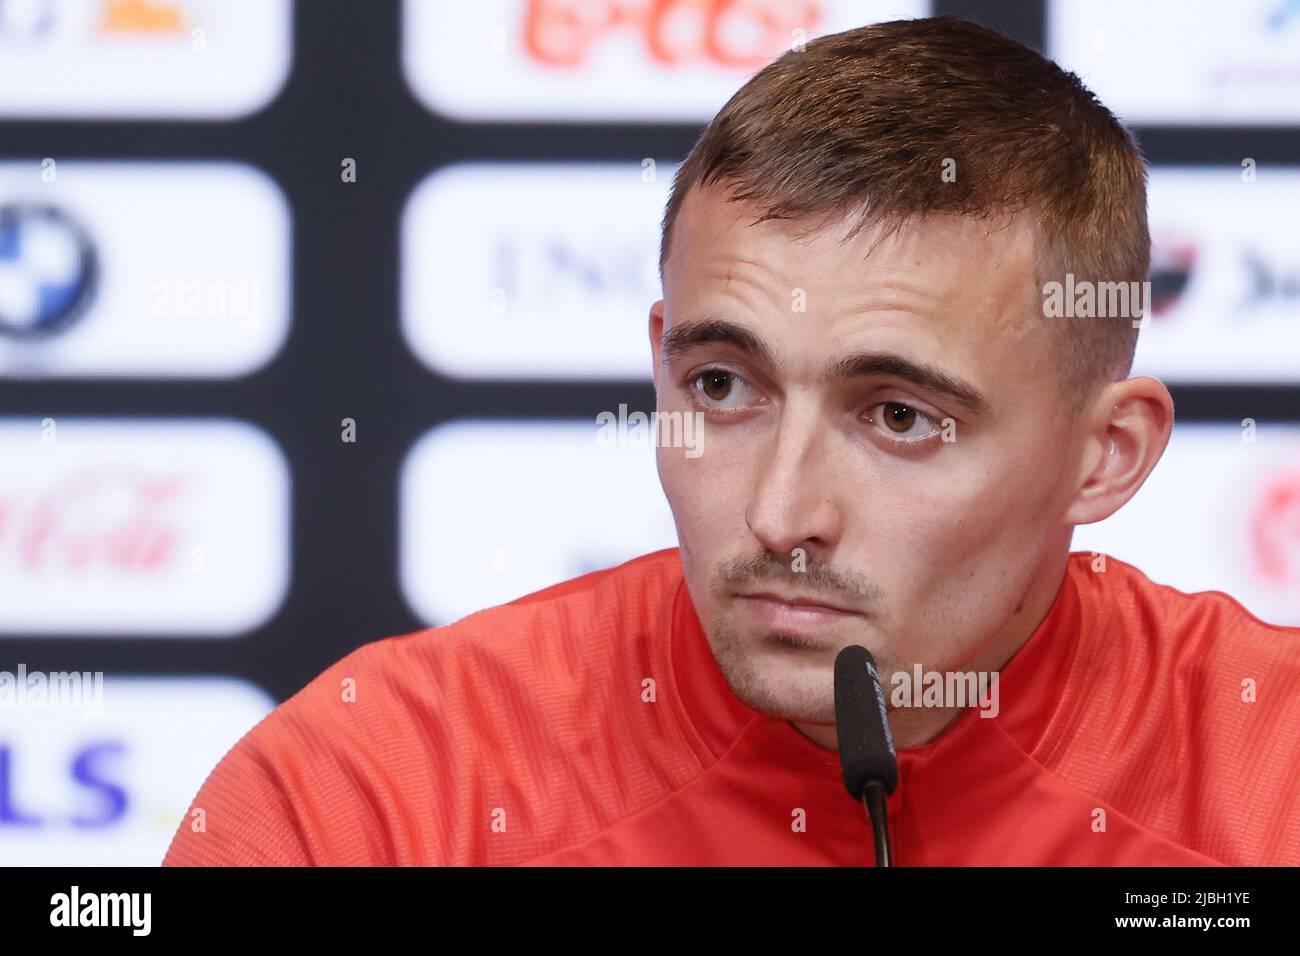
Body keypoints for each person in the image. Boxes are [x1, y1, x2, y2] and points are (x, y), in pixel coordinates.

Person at [164, 16, 1300, 866]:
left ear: (1104, 454)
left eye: (898, 415)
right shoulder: (373, 792)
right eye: (722, 385)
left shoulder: (1270, 770)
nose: (778, 512)